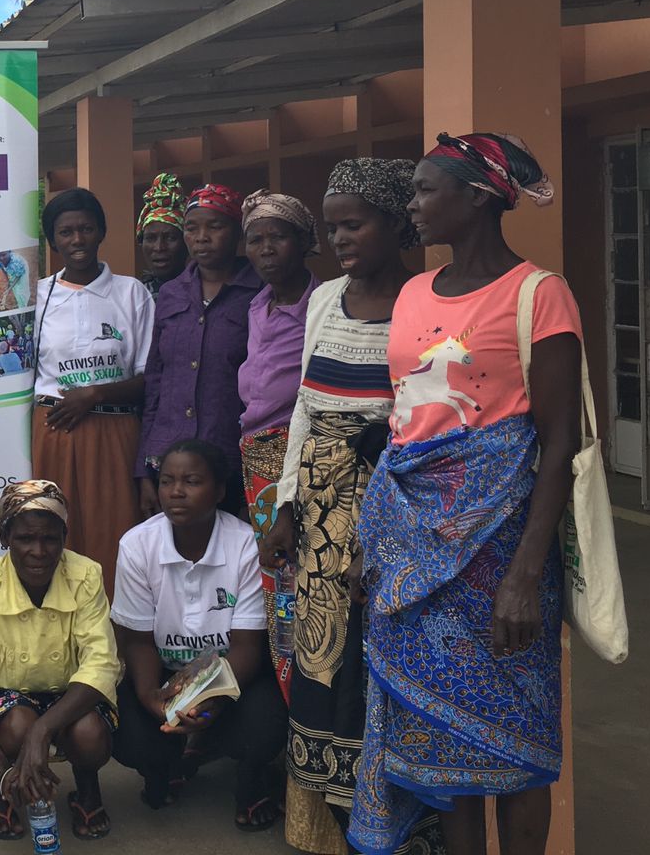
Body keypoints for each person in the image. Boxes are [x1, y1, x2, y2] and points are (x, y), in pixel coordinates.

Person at [348, 134, 578, 855]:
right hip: (410, 545)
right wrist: (376, 541)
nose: (410, 205)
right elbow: (405, 425)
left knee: (516, 745)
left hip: (501, 548)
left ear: (476, 197)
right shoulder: (415, 292)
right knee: (439, 746)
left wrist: (525, 575)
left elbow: (560, 442)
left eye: (423, 190)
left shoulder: (539, 296)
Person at [258, 158, 424, 854]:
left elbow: (419, 421)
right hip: (317, 504)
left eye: (353, 224)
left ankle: (387, 829)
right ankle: (319, 832)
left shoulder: (424, 304)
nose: (340, 239)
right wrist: (286, 504)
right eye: (332, 228)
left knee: (373, 666)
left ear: (395, 223)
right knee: (317, 665)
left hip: (385, 500)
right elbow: (303, 402)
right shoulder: (325, 297)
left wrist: (377, 532)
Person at [111, 440, 286, 832]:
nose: (176, 491)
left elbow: (247, 647)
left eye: (191, 481)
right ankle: (162, 768)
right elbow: (137, 640)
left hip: (231, 679)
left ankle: (251, 781)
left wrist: (212, 702)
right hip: (163, 677)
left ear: (220, 490)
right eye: (167, 480)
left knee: (265, 724)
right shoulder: (137, 544)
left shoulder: (244, 545)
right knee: (126, 731)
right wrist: (150, 698)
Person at [0, 480, 120, 841]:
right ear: (4, 537)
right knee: (19, 725)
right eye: (25, 538)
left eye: (50, 539)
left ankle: (87, 785)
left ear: (64, 537)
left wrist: (43, 731)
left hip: (72, 697)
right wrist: (3, 768)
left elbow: (102, 664)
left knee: (89, 735)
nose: (39, 551)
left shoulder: (86, 575)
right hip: (10, 700)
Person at [31, 187, 154, 594]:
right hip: (54, 430)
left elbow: (149, 376)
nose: (77, 240)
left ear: (101, 232)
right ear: (53, 241)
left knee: (115, 534)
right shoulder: (38, 297)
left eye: (86, 229)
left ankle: (116, 645)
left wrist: (95, 394)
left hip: (115, 433)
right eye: (66, 232)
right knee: (53, 534)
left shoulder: (131, 292)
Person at [235, 190, 319, 696]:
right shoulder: (256, 305)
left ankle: (313, 701)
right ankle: (291, 707)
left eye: (278, 237)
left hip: (300, 459)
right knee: (276, 586)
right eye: (256, 240)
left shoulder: (326, 305)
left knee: (310, 583)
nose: (266, 249)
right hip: (255, 460)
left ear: (305, 242)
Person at [138, 183, 262, 519]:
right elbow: (155, 383)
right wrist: (143, 470)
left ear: (237, 232)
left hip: (233, 459)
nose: (201, 237)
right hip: (170, 460)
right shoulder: (172, 294)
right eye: (191, 228)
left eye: (215, 226)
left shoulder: (260, 291)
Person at [136, 172, 190, 298]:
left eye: (170, 238)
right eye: (150, 238)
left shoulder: (204, 292)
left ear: (186, 242)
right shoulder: (133, 297)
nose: (159, 247)